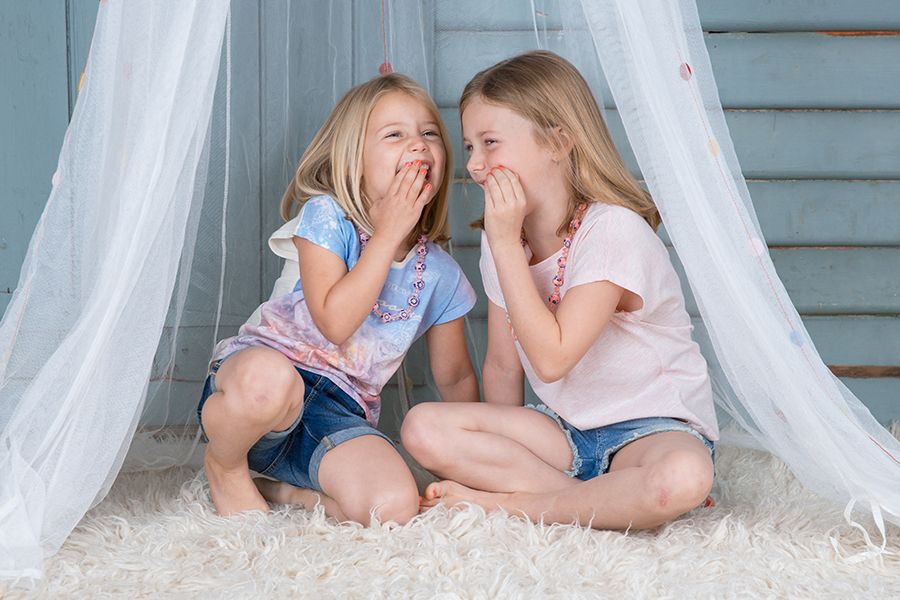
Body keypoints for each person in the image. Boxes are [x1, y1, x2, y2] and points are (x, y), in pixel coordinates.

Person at [401, 50, 719, 530]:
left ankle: (514, 506)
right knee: (423, 427)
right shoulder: (503, 236)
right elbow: (503, 364)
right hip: (565, 434)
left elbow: (553, 359)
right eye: (469, 146)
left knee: (682, 477)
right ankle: (594, 501)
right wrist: (499, 450)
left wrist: (505, 246)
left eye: (490, 143)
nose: (476, 164)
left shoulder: (611, 230)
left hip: (652, 430)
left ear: (558, 142)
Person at [197, 73, 479, 524]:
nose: (418, 144)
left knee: (394, 507)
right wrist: (388, 234)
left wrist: (475, 462)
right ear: (354, 159)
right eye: (395, 135)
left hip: (337, 416)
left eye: (430, 134)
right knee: (268, 384)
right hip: (262, 387)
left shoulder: (442, 276)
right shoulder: (327, 217)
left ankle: (284, 490)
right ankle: (226, 466)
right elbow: (334, 322)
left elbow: (456, 378)